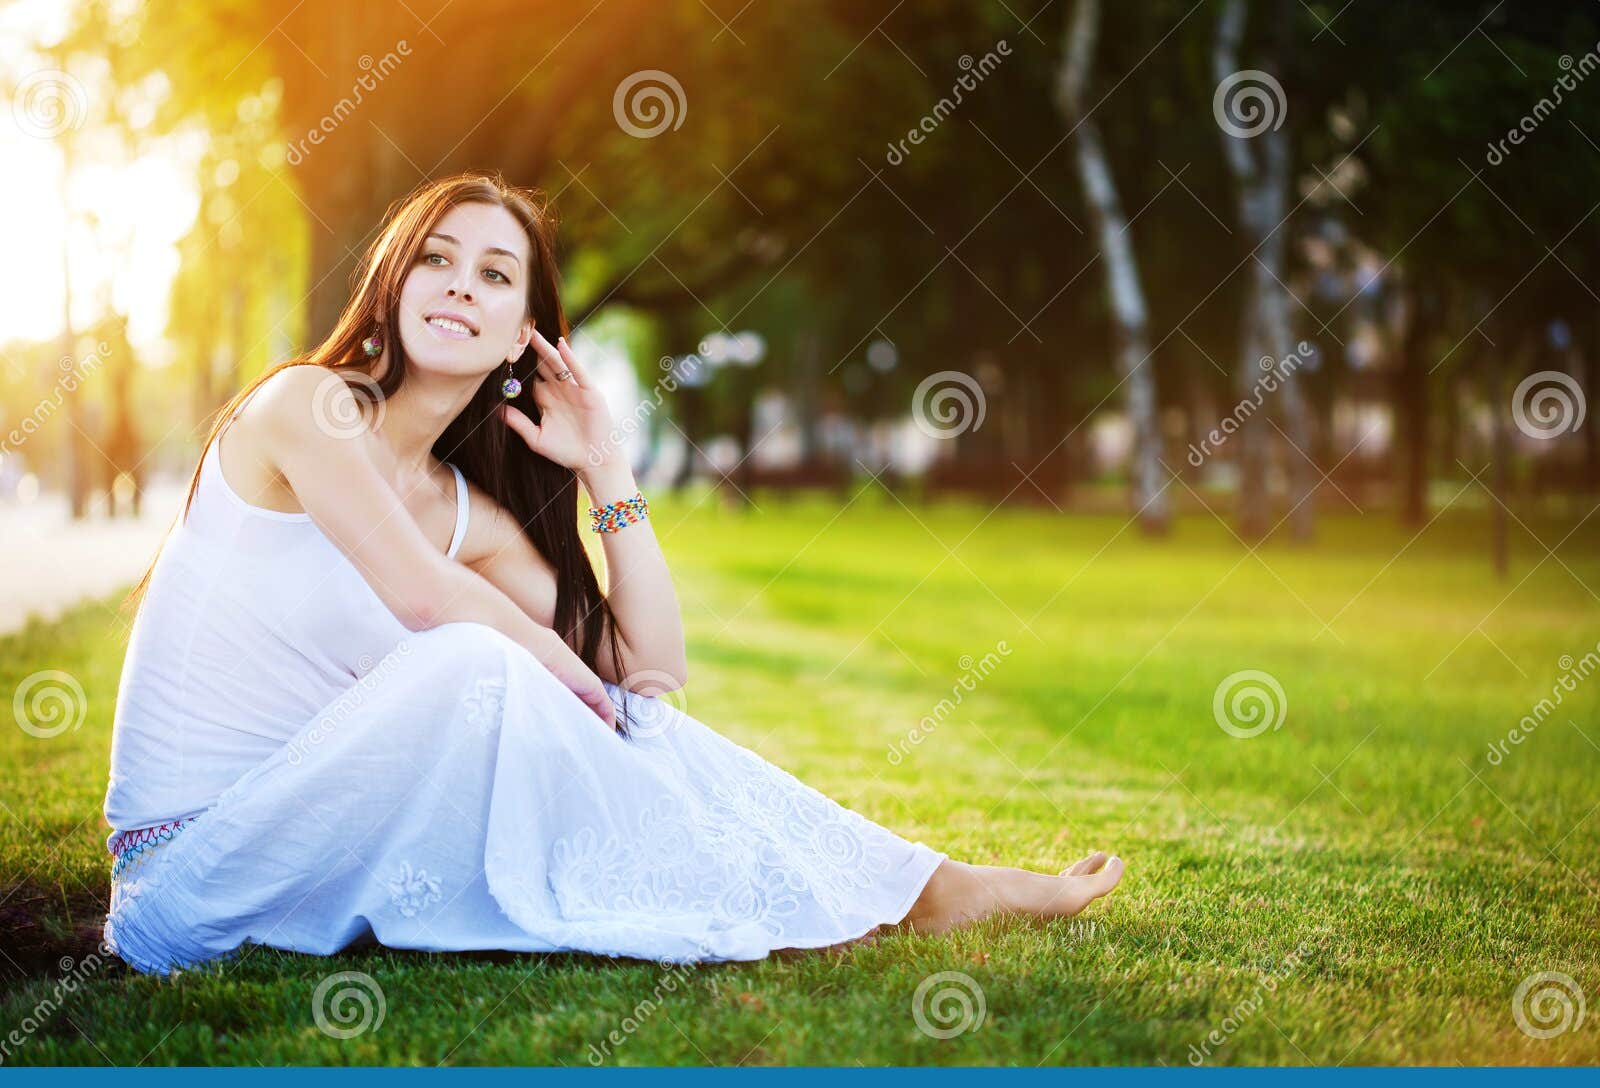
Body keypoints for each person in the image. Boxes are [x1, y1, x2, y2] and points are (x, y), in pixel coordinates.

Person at [102, 172, 1123, 976]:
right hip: (185, 877)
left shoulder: (479, 519)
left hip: (319, 840)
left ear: (526, 335)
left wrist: (607, 469)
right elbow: (426, 597)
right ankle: (905, 892)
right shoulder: (302, 406)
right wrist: (576, 689)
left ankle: (922, 883)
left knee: (563, 689)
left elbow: (651, 674)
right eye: (437, 260)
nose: (462, 282)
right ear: (392, 285)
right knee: (475, 659)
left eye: (497, 275)